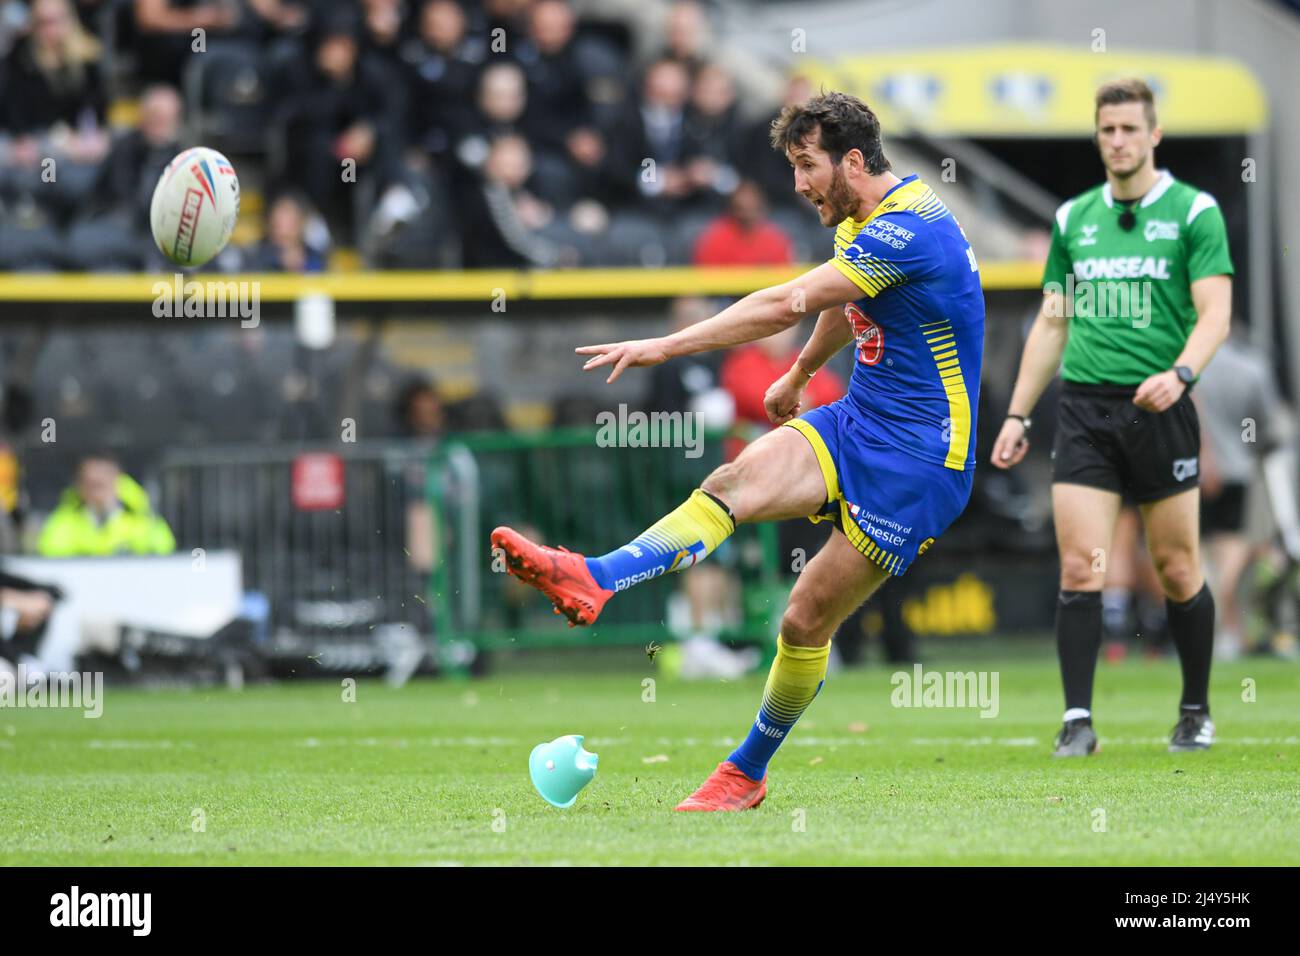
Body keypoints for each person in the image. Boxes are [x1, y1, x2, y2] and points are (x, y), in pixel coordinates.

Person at [492, 92, 984, 810]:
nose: (798, 185)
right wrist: (800, 374)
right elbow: (849, 305)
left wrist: (666, 343)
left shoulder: (908, 231)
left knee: (803, 620)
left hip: (922, 462)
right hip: (860, 420)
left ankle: (746, 770)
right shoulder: (868, 215)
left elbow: (790, 303)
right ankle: (594, 578)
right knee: (733, 480)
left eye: (807, 165)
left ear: (853, 160)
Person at [991, 78, 1234, 756]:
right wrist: (1017, 415)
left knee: (1178, 567)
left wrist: (1181, 373)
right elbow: (1052, 320)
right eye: (1108, 130)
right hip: (1086, 408)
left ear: (1154, 134)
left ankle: (1195, 709)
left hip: (1162, 405)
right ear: (1097, 137)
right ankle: (1077, 721)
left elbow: (1215, 312)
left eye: (1130, 128)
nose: (1119, 140)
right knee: (1080, 565)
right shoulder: (1074, 219)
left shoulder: (1193, 212)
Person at [37, 454, 176, 557]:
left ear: (118, 481)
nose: (97, 493)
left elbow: (165, 550)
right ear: (80, 486)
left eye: (101, 485)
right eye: (91, 485)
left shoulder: (143, 517)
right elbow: (49, 550)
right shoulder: (64, 519)